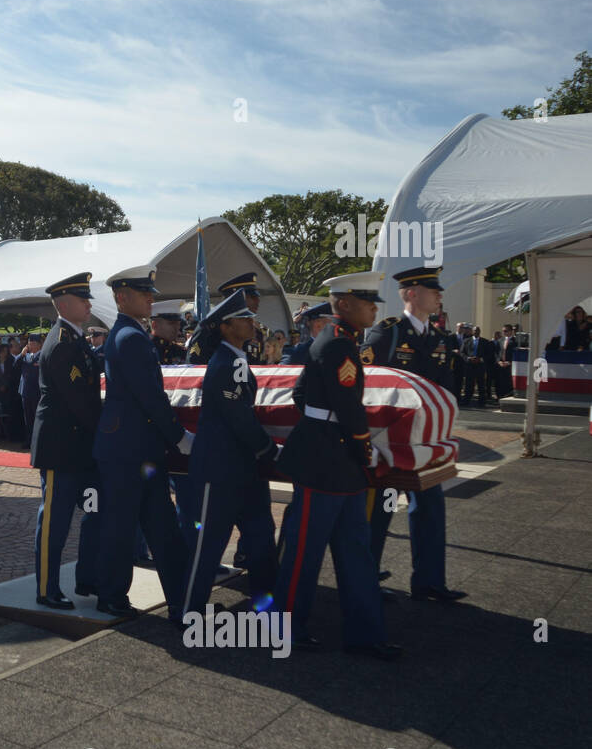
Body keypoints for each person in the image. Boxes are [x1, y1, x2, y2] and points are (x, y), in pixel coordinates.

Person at [271, 271, 400, 659]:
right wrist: (364, 447)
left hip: (333, 457)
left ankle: (365, 633)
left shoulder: (333, 341)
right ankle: (287, 629)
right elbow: (347, 409)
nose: (375, 307)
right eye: (367, 300)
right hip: (328, 462)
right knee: (305, 552)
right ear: (343, 304)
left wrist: (318, 421)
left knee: (354, 550)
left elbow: (299, 393)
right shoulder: (339, 347)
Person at [93, 270, 194, 617]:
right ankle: (113, 596)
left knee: (159, 526)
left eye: (150, 292)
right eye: (143, 293)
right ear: (122, 298)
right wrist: (179, 436)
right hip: (129, 450)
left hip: (137, 448)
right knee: (126, 527)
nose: (151, 298)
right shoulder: (131, 338)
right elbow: (150, 396)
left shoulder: (129, 335)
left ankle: (182, 600)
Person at [363, 266, 467, 602]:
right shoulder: (387, 333)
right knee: (379, 508)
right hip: (388, 439)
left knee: (431, 508)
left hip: (425, 440)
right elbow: (368, 382)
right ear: (410, 294)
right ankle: (365, 577)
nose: (439, 295)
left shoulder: (440, 338)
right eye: (431, 289)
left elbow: (446, 389)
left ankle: (429, 581)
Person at [180, 290, 279, 617]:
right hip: (219, 473)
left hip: (243, 471)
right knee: (207, 547)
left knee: (262, 540)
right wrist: (270, 450)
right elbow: (239, 418)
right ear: (225, 326)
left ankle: (266, 608)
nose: (252, 321)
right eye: (244, 318)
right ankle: (188, 612)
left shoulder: (236, 360)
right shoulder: (226, 363)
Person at [30, 273, 103, 609]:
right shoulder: (61, 343)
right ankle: (47, 589)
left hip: (82, 450)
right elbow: (80, 402)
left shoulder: (76, 340)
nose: (89, 303)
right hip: (61, 450)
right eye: (82, 298)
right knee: (55, 523)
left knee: (95, 511)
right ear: (63, 304)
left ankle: (88, 578)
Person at [187, 273, 265, 364]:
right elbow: (195, 367)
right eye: (252, 297)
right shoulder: (210, 329)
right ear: (235, 298)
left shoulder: (255, 333)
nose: (257, 301)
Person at [14, 333, 43, 448]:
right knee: (28, 418)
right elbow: (15, 365)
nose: (30, 345)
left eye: (33, 343)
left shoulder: (42, 355)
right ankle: (29, 440)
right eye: (29, 343)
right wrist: (21, 354)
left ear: (39, 345)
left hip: (37, 391)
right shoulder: (25, 355)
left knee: (37, 418)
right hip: (25, 391)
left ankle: (37, 441)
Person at [149, 300, 188, 364]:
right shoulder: (144, 349)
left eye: (178, 324)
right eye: (172, 323)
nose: (177, 327)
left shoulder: (180, 351)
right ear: (155, 325)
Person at [495, 324, 517, 398]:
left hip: (510, 366)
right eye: (503, 331)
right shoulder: (500, 340)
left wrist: (509, 362)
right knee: (500, 383)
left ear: (511, 331)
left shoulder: (515, 341)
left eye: (506, 331)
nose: (504, 332)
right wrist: (499, 361)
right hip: (501, 365)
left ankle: (508, 396)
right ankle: (500, 397)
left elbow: (516, 353)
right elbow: (496, 352)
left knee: (508, 383)